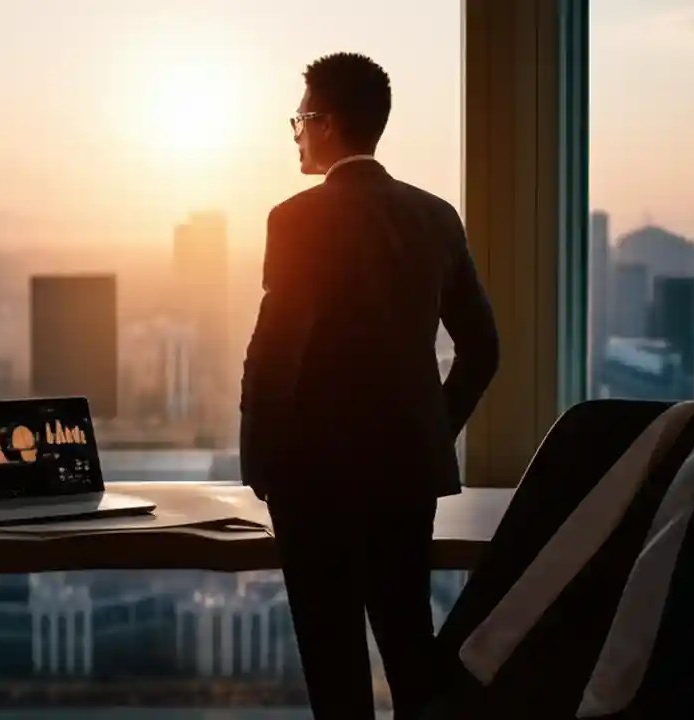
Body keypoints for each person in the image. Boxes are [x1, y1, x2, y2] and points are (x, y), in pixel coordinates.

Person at [240, 53, 500, 719]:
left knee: (335, 673)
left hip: (312, 480)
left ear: (325, 124)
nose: (295, 131)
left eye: (300, 118)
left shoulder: (296, 218)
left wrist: (263, 466)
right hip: (405, 477)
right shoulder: (436, 216)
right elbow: (482, 351)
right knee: (412, 656)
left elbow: (274, 355)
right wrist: (431, 433)